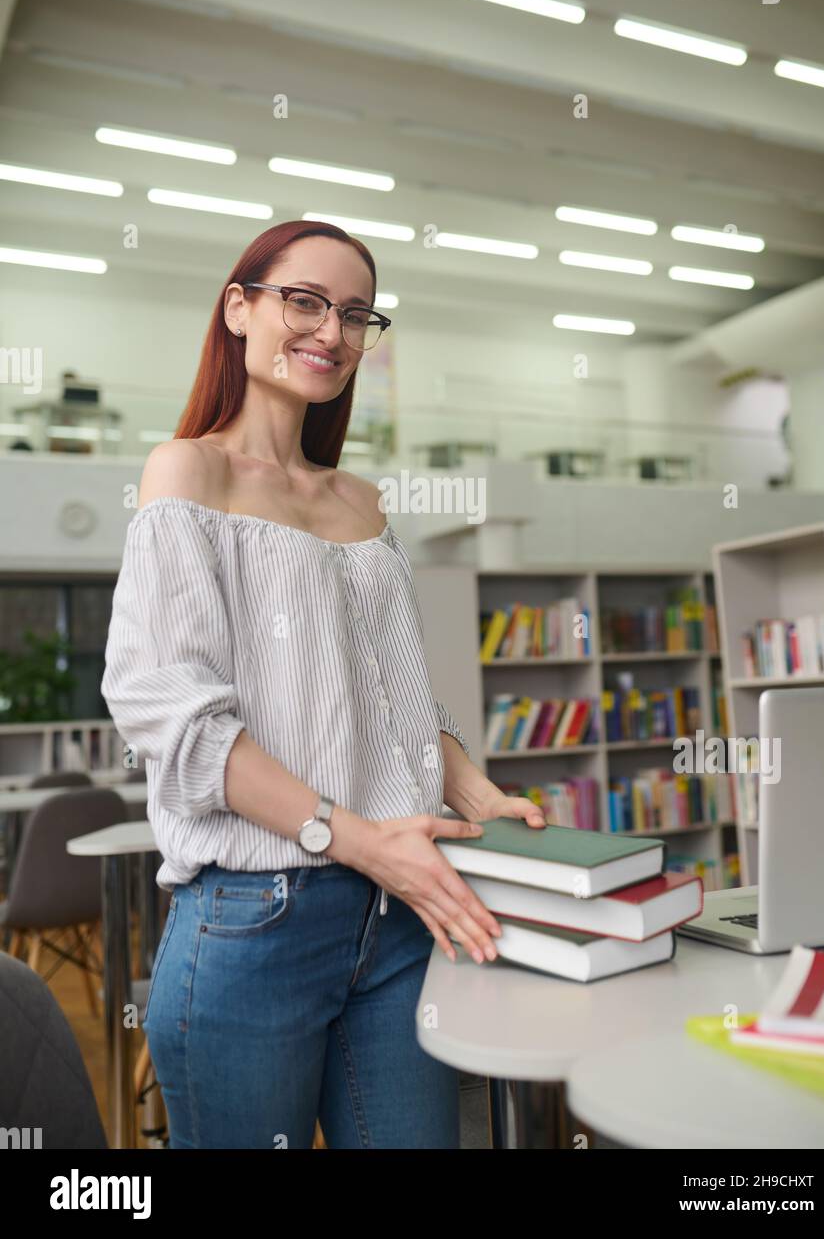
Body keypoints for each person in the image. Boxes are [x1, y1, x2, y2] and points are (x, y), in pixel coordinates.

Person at [100, 218, 545, 1149]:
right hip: (252, 917)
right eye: (304, 301)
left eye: (354, 315)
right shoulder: (187, 472)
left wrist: (477, 790)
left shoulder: (361, 501)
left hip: (396, 921)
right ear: (238, 308)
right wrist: (356, 840)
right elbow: (168, 713)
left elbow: (400, 704)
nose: (331, 333)